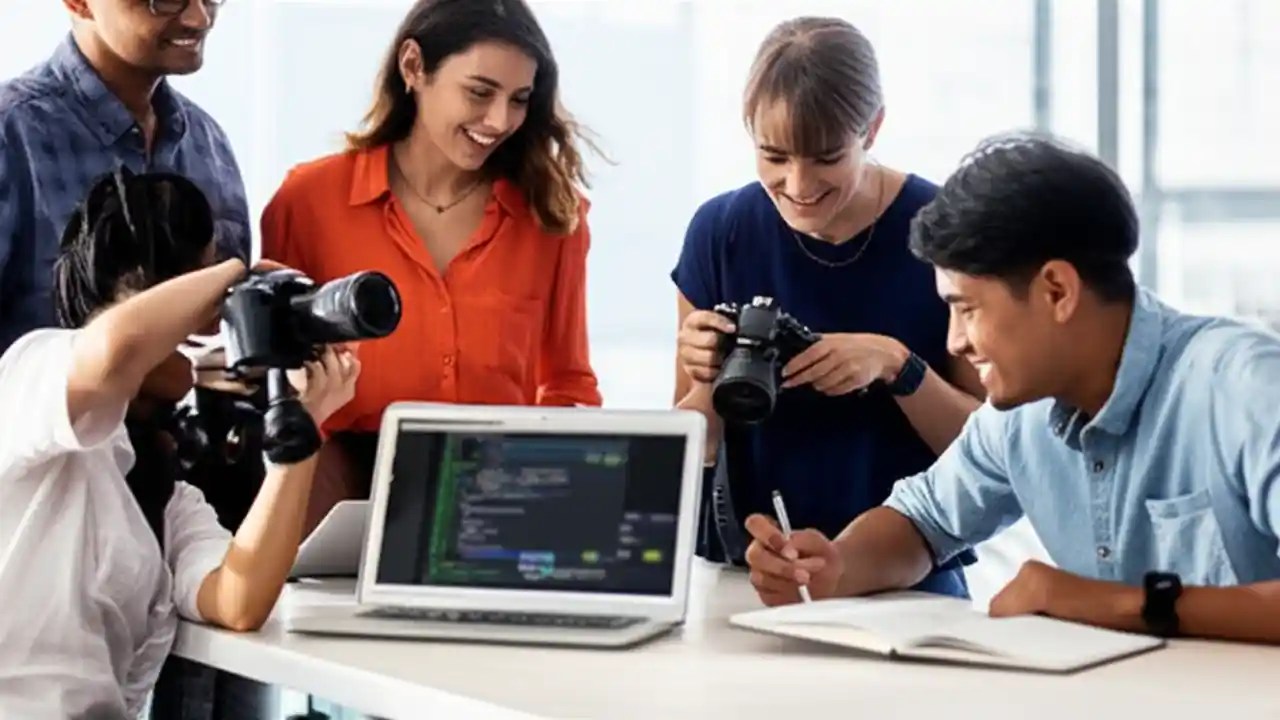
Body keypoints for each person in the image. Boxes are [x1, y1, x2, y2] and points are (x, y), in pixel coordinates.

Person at [742, 133, 1280, 643]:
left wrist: (1104, 602)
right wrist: (833, 568)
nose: (954, 343)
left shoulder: (1243, 387)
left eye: (967, 309)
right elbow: (920, 522)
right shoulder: (1019, 412)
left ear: (1056, 290)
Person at [0, 168, 359, 718]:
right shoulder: (31, 370)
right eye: (181, 286)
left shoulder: (165, 494)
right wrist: (235, 278)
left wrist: (303, 427)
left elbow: (237, 599)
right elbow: (113, 355)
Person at [671, 17, 985, 598]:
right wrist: (703, 381)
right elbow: (697, 447)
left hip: (911, 576)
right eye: (773, 156)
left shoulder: (945, 232)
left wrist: (898, 366)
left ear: (873, 128)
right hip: (760, 570)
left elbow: (990, 448)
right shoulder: (721, 232)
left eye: (826, 158)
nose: (797, 183)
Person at [261, 0, 602, 530]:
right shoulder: (308, 202)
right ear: (414, 66)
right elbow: (278, 376)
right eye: (479, 92)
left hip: (497, 492)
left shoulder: (554, 219)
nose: (500, 121)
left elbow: (567, 385)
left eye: (519, 100)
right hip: (337, 489)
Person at [0, 0, 250, 355]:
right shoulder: (11, 135)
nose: (200, 18)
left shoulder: (209, 143)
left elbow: (219, 339)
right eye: (164, 1)